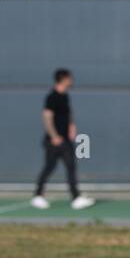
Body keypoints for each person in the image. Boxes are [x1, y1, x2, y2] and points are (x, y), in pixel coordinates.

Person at [31, 68, 96, 210]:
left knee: (71, 167)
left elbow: (68, 113)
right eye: (70, 78)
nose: (72, 81)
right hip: (53, 141)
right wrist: (54, 136)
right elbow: (47, 117)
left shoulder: (65, 96)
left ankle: (76, 198)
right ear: (63, 79)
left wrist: (72, 126)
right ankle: (37, 196)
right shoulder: (52, 97)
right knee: (49, 167)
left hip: (66, 140)